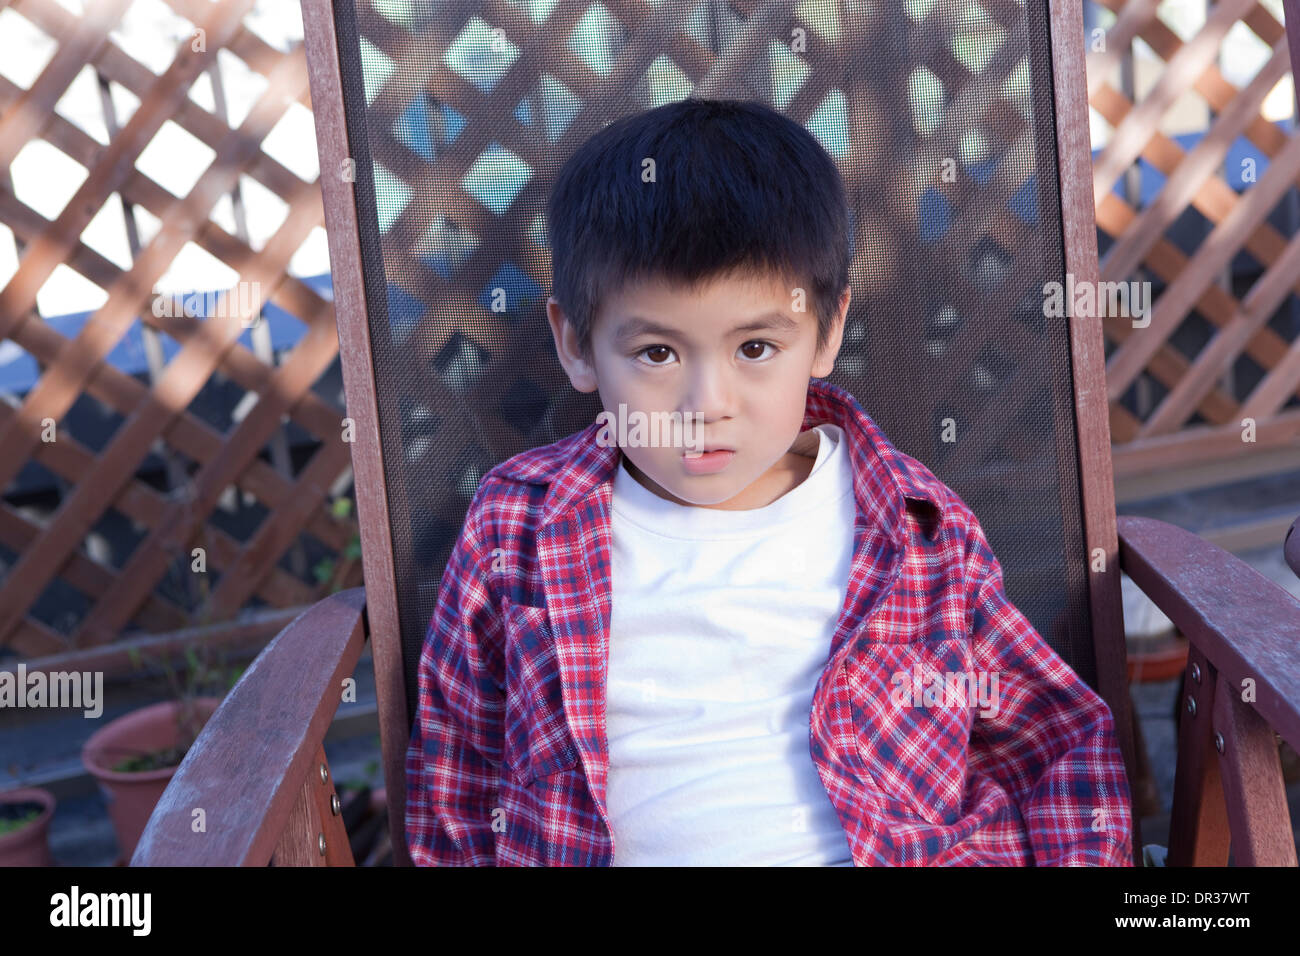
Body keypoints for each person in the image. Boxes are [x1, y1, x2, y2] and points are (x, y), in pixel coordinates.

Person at [405, 97, 1133, 866]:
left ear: (826, 332)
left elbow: (1051, 735)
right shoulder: (516, 527)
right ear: (577, 345)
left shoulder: (916, 528)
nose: (707, 405)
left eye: (755, 347)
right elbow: (459, 774)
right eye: (657, 354)